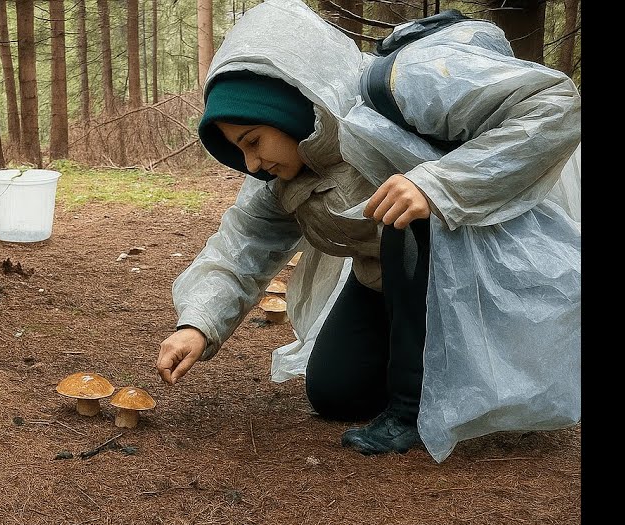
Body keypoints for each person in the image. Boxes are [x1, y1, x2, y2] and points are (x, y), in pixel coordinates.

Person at [155, 0, 581, 461]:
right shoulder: (283, 177)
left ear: (284, 110)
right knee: (336, 393)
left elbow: (554, 105)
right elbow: (240, 247)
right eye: (241, 152)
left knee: (405, 218)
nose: (252, 164)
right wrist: (197, 325)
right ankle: (445, 367)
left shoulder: (404, 86)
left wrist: (440, 183)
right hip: (391, 281)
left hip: (487, 266)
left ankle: (411, 407)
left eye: (253, 141)